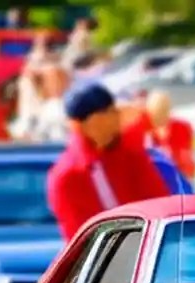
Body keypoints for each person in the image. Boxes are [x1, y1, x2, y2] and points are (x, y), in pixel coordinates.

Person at [46, 83, 170, 241]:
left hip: (151, 250)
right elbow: (80, 239)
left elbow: (161, 207)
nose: (117, 118)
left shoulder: (132, 156)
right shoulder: (66, 176)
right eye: (109, 112)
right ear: (84, 123)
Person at [130, 90, 195, 179]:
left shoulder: (181, 128)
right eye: (157, 110)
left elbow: (187, 165)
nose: (161, 114)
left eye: (165, 109)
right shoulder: (139, 130)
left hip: (177, 180)